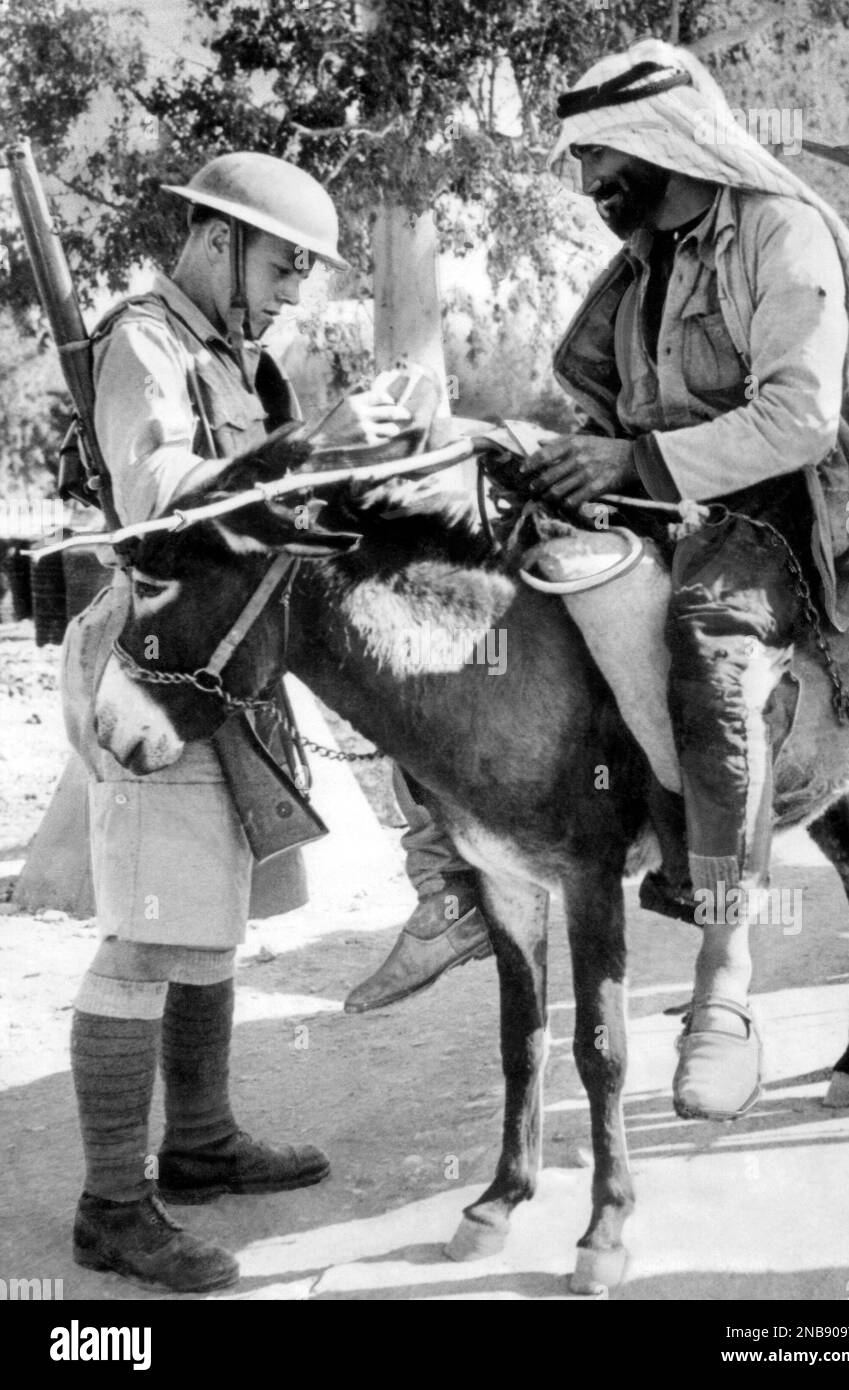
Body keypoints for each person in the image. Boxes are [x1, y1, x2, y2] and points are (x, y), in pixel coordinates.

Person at [349, 38, 849, 1125]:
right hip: (657, 500)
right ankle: (449, 883)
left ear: (666, 140)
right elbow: (606, 422)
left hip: (771, 514)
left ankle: (725, 979)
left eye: (601, 157)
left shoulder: (780, 236)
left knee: (705, 639)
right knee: (459, 577)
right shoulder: (647, 263)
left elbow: (798, 417)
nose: (590, 184)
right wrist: (502, 442)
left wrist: (634, 464)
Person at [63, 151, 411, 1293]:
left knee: (209, 915)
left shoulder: (235, 354)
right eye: (284, 263)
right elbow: (157, 490)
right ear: (218, 241)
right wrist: (304, 447)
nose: (292, 289)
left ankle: (200, 1141)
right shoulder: (144, 342)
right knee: (151, 931)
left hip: (226, 655)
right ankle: (113, 1205)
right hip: (156, 656)